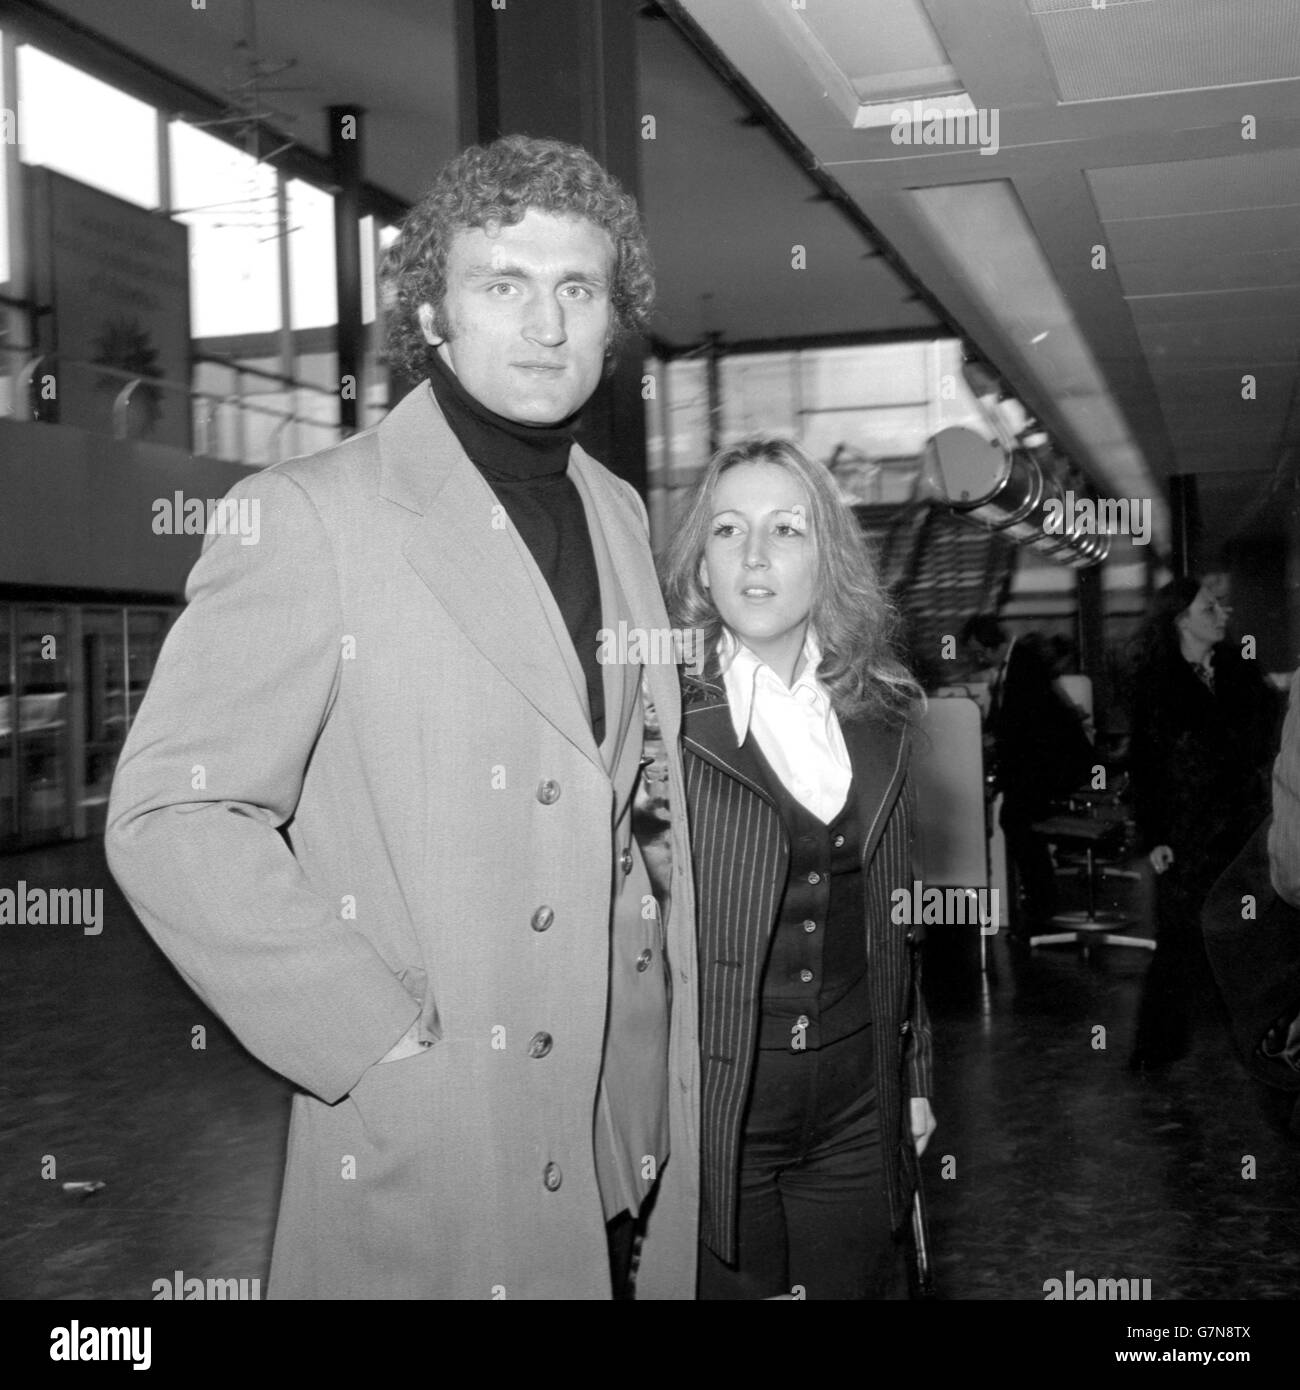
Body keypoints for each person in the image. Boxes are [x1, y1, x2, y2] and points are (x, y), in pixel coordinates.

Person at [105, 135, 700, 1299]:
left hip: (611, 1121)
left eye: (576, 289)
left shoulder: (619, 513)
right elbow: (174, 813)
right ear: (431, 310)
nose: (545, 323)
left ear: (612, 319)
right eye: (503, 285)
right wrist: (367, 1034)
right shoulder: (310, 515)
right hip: (438, 1122)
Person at [660, 436, 934, 1300]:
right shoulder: (657, 718)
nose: (754, 555)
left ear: (829, 559)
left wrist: (914, 1075)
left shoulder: (880, 707)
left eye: (787, 528)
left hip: (858, 1093)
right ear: (700, 569)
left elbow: (898, 915)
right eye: (727, 530)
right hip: (715, 1096)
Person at [1126, 576, 1277, 1071]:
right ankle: (1156, 1050)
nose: (1222, 614)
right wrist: (1155, 837)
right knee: (1180, 938)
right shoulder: (1157, 684)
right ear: (1180, 619)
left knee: (1248, 931)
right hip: (1189, 832)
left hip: (1244, 825)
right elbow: (1145, 767)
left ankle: (1260, 1047)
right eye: (1209, 607)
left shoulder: (1240, 672)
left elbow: (1262, 743)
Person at [961, 615, 1093, 937]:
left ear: (992, 643)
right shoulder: (1018, 663)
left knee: (1016, 819)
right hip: (1052, 764)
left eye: (979, 651)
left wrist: (998, 769)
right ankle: (1038, 902)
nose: (978, 659)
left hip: (1058, 768)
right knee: (1016, 815)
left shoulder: (1023, 665)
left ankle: (1040, 908)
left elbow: (1020, 733)